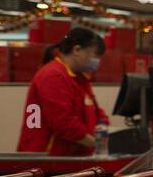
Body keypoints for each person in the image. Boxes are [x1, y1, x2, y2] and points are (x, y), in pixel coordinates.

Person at [16, 27, 108, 157]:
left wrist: (103, 127)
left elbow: (95, 111)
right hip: (47, 156)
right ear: (77, 50)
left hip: (73, 155)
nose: (97, 62)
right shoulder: (52, 76)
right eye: (95, 56)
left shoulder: (79, 77)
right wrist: (98, 144)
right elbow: (63, 123)